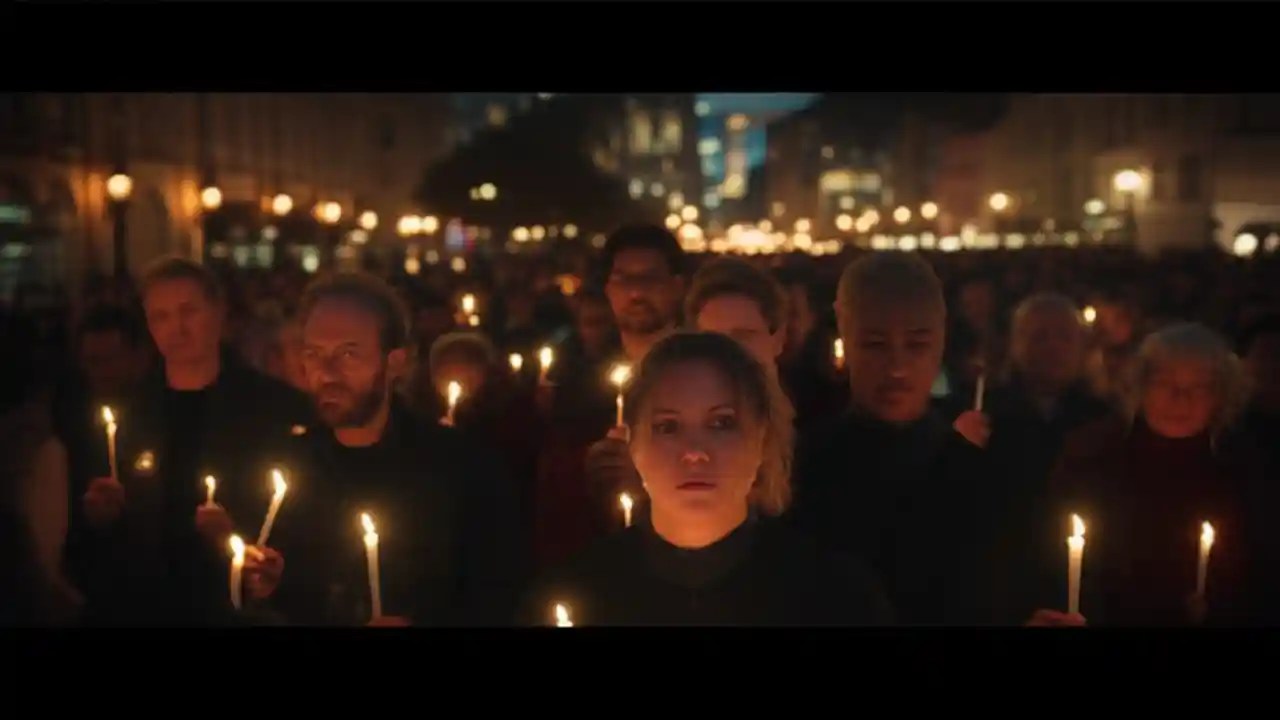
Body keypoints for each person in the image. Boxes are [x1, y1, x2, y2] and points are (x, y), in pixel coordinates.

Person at [523, 332, 891, 626]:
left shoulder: (834, 599)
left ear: (760, 439)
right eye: (668, 427)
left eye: (721, 423)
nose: (694, 452)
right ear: (633, 444)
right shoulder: (574, 598)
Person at [266, 272, 524, 626]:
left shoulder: (462, 469)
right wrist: (263, 583)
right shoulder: (288, 467)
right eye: (313, 354)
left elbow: (500, 596)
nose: (326, 373)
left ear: (394, 363)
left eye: (348, 354)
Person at [70, 256, 313, 626]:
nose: (177, 329)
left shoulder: (276, 408)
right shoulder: (127, 413)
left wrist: (240, 538)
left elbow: (299, 514)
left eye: (188, 312)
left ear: (219, 312)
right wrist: (99, 517)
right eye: (161, 317)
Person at [790, 252, 1004, 625]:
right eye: (875, 345)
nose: (897, 367)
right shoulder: (801, 469)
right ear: (844, 337)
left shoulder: (981, 466)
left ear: (941, 341)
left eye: (916, 345)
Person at [1042, 323, 1260, 626]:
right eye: (1164, 383)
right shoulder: (1092, 454)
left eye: (1199, 387)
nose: (1180, 399)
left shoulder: (1243, 468)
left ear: (1221, 396)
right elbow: (1051, 554)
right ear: (1140, 386)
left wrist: (1219, 609)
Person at [954, 293, 1111, 621]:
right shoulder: (982, 417)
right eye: (1039, 336)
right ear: (1014, 344)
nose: (1052, 347)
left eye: (1064, 337)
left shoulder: (1103, 420)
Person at [537, 224, 685, 569]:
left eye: (650, 278)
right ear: (608, 289)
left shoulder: (702, 376)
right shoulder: (578, 379)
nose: (636, 291)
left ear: (678, 287)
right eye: (623, 278)